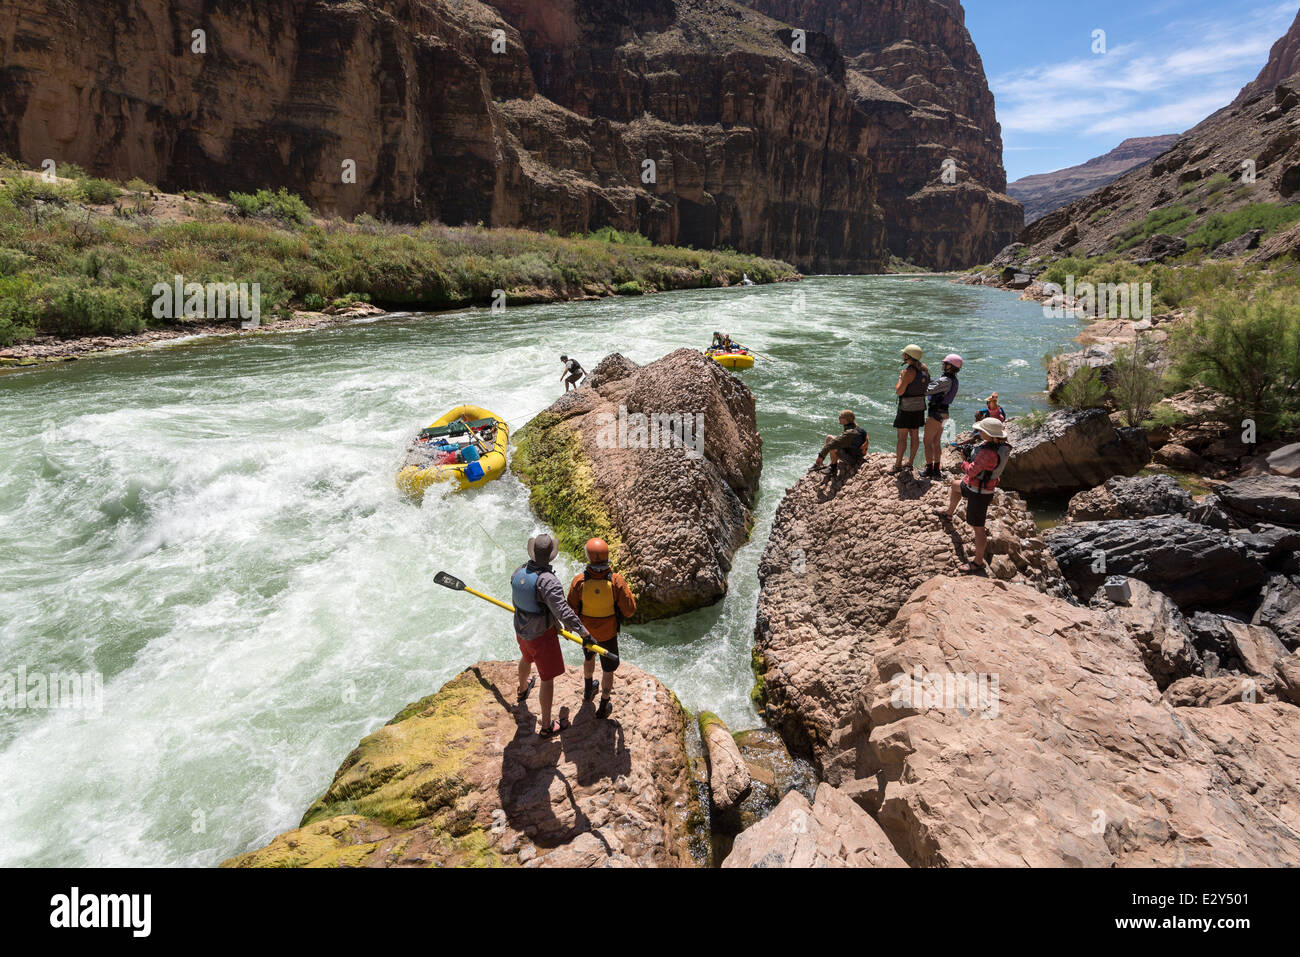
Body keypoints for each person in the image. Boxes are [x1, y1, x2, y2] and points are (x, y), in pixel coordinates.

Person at [511, 533, 594, 737]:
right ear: (550, 556)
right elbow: (563, 611)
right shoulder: (548, 581)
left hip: (521, 630)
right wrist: (584, 632)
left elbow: (526, 601)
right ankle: (547, 726)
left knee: (526, 657)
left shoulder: (519, 571)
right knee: (547, 678)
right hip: (541, 636)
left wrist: (556, 623)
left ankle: (522, 690)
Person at [567, 538, 636, 719]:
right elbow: (630, 611)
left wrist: (569, 629)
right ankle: (603, 705)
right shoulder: (616, 581)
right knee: (607, 670)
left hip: (587, 633)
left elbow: (570, 609)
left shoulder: (579, 581)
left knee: (589, 658)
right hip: (608, 634)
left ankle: (588, 690)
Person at [933, 418, 1011, 573]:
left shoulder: (988, 453)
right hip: (975, 486)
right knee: (956, 486)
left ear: (989, 434)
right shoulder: (998, 446)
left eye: (982, 431)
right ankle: (949, 513)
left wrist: (965, 460)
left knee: (978, 529)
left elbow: (970, 471)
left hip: (979, 493)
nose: (979, 432)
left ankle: (977, 562)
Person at [922, 354, 962, 479]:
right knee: (935, 442)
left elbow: (927, 390)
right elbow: (934, 387)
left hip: (936, 414)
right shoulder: (952, 380)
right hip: (944, 413)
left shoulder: (945, 380)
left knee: (927, 442)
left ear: (951, 366)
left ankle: (929, 469)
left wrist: (924, 376)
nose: (943, 364)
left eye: (945, 363)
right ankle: (936, 470)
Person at [892, 345, 930, 473]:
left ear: (908, 356)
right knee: (914, 435)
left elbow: (899, 391)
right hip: (919, 407)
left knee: (902, 437)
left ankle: (897, 465)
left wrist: (900, 378)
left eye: (904, 354)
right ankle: (910, 463)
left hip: (906, 408)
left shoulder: (908, 372)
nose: (902, 355)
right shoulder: (924, 368)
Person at [814, 409, 868, 478]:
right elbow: (866, 437)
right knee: (829, 438)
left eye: (840, 417)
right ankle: (823, 465)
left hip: (853, 459)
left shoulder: (849, 432)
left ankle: (833, 468)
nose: (838, 418)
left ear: (845, 419)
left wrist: (820, 457)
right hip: (855, 453)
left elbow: (831, 445)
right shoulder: (859, 429)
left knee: (833, 447)